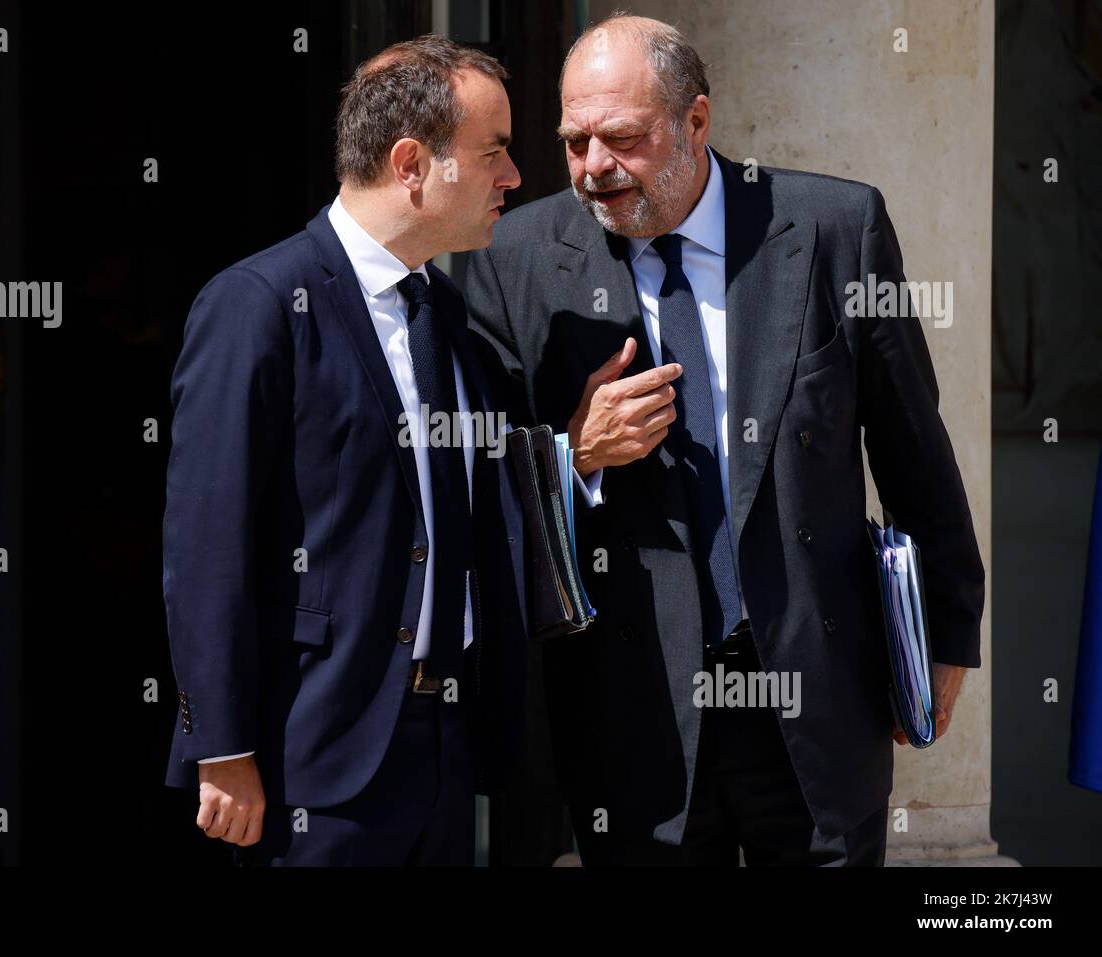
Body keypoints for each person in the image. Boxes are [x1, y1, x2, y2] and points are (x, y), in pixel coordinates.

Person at [465, 13, 985, 866]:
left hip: (816, 706)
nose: (594, 169)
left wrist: (950, 630)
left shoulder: (831, 228)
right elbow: (479, 489)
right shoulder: (516, 256)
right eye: (573, 142)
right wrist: (578, 452)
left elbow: (913, 447)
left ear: (696, 122)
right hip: (636, 724)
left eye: (622, 139)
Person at [162, 35, 526, 866]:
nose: (513, 177)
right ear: (410, 163)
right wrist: (221, 745)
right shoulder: (257, 305)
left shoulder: (448, 313)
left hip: (444, 749)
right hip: (310, 759)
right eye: (494, 153)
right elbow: (205, 542)